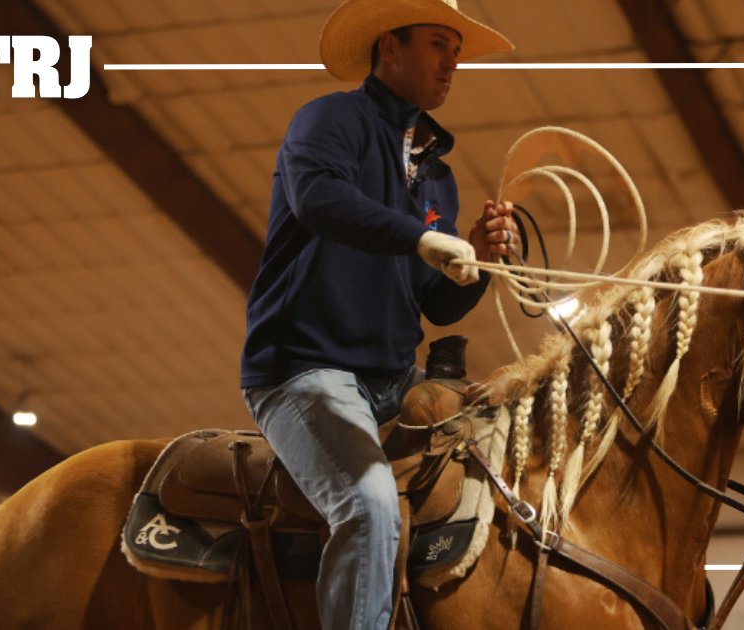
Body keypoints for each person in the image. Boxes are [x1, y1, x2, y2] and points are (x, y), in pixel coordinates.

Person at [239, 1, 515, 629]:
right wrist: (420, 238)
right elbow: (319, 199)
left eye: (457, 48)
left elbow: (434, 303)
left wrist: (480, 260)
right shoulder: (327, 120)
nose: (454, 60)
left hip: (393, 381)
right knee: (366, 506)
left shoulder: (435, 174)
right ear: (390, 47)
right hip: (303, 372)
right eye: (440, 43)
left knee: (509, 455)